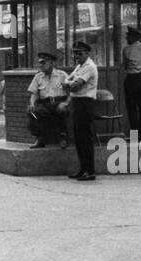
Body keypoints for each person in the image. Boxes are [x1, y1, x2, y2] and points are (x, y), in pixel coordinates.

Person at [64, 40, 98, 180]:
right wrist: (68, 83)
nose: (76, 56)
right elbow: (68, 80)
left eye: (80, 53)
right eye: (75, 53)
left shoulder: (89, 67)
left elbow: (74, 86)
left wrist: (68, 84)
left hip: (85, 103)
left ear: (87, 53)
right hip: (77, 103)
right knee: (78, 138)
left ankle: (89, 171)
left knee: (85, 138)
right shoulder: (79, 66)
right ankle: (82, 168)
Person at [26, 51, 69, 149]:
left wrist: (66, 103)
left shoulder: (62, 75)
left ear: (52, 63)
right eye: (40, 62)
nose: (41, 65)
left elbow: (72, 92)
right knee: (33, 113)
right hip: (44, 105)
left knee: (61, 112)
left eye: (43, 62)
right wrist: (32, 103)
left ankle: (63, 138)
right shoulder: (38, 77)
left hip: (59, 103)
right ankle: (39, 139)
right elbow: (34, 94)